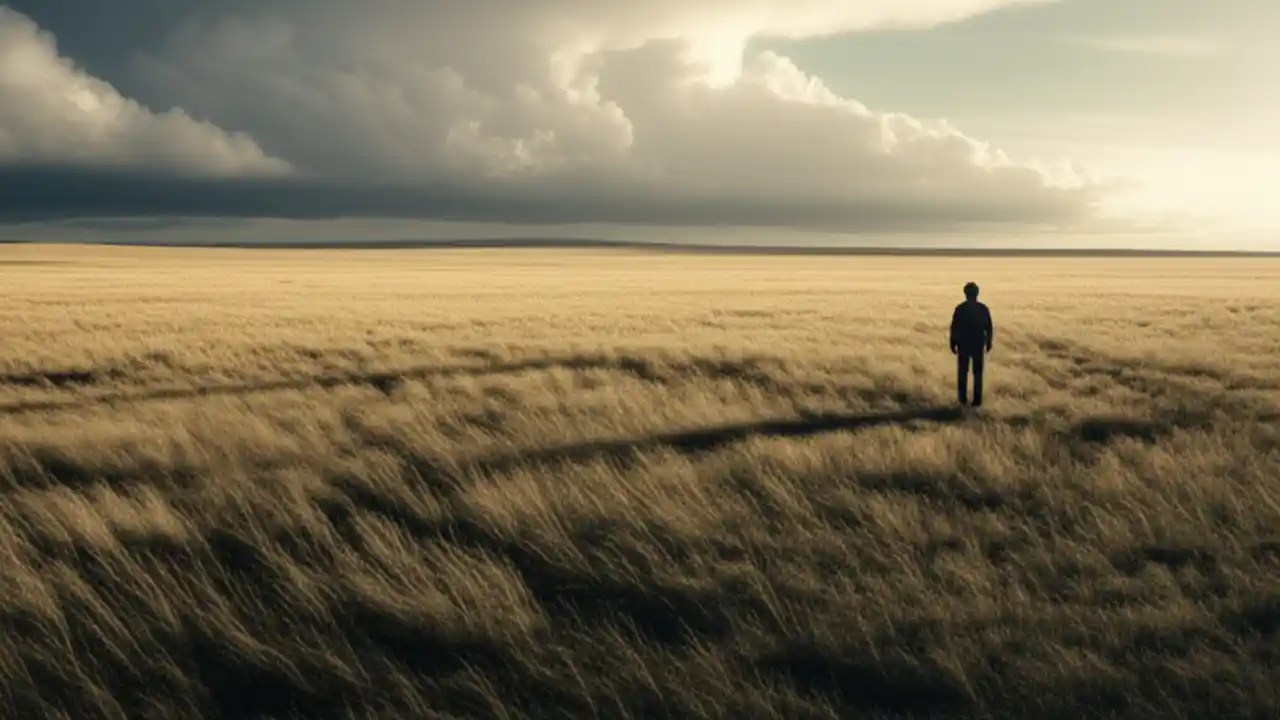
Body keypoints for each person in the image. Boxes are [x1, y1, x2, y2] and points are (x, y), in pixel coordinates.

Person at [950, 282, 994, 407]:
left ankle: (963, 400)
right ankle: (976, 401)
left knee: (963, 373)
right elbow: (989, 327)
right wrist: (988, 342)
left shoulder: (961, 309)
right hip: (976, 344)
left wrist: (952, 342)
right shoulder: (982, 309)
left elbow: (954, 327)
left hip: (965, 344)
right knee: (977, 374)